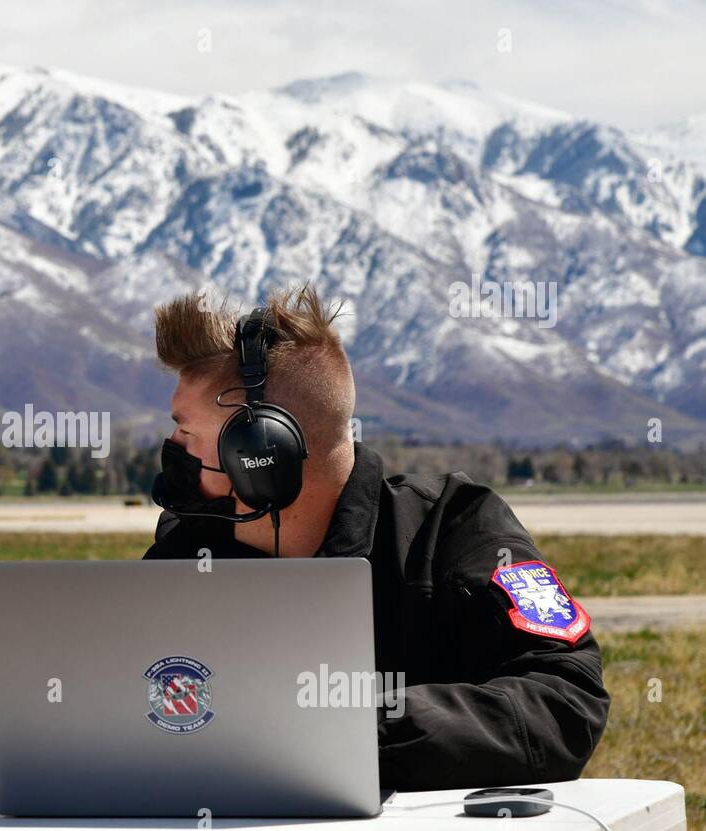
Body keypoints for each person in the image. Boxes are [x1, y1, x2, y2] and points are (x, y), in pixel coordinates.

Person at [145, 285, 609, 791]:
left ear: (262, 453)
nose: (172, 448)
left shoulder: (456, 528)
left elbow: (566, 701)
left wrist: (354, 729)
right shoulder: (188, 549)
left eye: (185, 433)